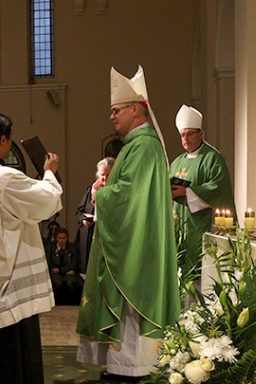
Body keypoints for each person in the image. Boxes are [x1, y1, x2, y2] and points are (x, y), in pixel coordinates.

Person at [76, 66, 180, 381]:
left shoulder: (144, 145)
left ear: (136, 109)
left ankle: (133, 369)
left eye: (116, 110)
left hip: (138, 244)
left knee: (132, 307)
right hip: (138, 237)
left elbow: (130, 196)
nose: (112, 116)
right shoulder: (138, 145)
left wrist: (103, 195)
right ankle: (124, 367)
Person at [0, 113, 63, 384]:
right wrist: (50, 171)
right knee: (13, 340)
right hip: (9, 277)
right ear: (4, 140)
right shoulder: (3, 176)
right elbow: (47, 201)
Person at [170, 105, 235, 265]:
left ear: (201, 134)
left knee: (200, 274)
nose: (185, 139)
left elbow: (219, 189)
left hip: (201, 225)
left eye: (190, 134)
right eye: (182, 135)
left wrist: (187, 192)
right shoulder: (177, 162)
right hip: (178, 224)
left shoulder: (213, 158)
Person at [74, 157, 114, 275]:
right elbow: (79, 212)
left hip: (104, 237)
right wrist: (83, 220)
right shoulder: (91, 189)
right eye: (102, 174)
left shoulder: (116, 192)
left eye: (108, 175)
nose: (104, 178)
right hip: (88, 236)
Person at [47, 228, 82, 305]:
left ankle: (72, 304)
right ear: (56, 238)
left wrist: (60, 270)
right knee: (57, 283)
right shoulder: (51, 248)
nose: (61, 240)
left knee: (70, 283)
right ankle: (56, 303)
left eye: (64, 238)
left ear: (67, 238)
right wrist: (56, 270)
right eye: (59, 238)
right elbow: (50, 262)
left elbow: (74, 263)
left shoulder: (72, 247)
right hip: (56, 274)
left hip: (69, 272)